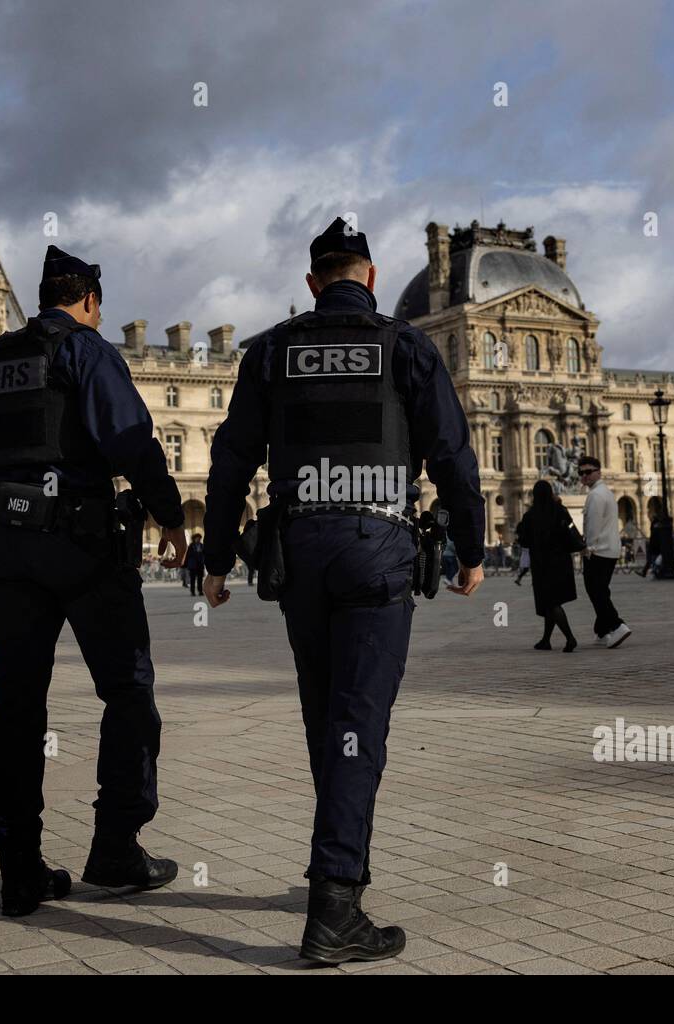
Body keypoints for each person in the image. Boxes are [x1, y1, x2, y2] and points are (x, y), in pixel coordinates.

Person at [200, 218, 485, 964]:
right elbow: (453, 457)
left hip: (298, 549)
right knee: (359, 721)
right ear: (373, 276)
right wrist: (470, 550)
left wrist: (218, 557)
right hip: (376, 545)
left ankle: (340, 866)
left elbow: (231, 461)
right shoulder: (406, 347)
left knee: (326, 716)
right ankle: (333, 903)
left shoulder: (270, 351)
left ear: (312, 283)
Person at [0, 243, 187, 918]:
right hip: (83, 545)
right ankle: (115, 843)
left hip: (10, 551)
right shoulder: (87, 351)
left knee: (18, 708)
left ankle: (19, 868)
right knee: (128, 691)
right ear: (88, 302)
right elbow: (131, 441)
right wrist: (169, 517)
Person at [515, 480, 579, 651]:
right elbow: (570, 533)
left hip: (542, 564)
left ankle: (570, 638)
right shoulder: (560, 511)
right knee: (550, 602)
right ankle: (546, 640)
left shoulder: (531, 516)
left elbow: (524, 541)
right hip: (562, 563)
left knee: (551, 602)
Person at [578, 456, 630, 647]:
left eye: (588, 471)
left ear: (598, 472)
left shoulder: (595, 495)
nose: (584, 476)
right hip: (610, 549)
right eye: (581, 472)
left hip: (598, 551)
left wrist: (588, 550)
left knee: (596, 592)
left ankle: (617, 625)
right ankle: (601, 632)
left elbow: (593, 526)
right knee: (600, 590)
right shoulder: (605, 492)